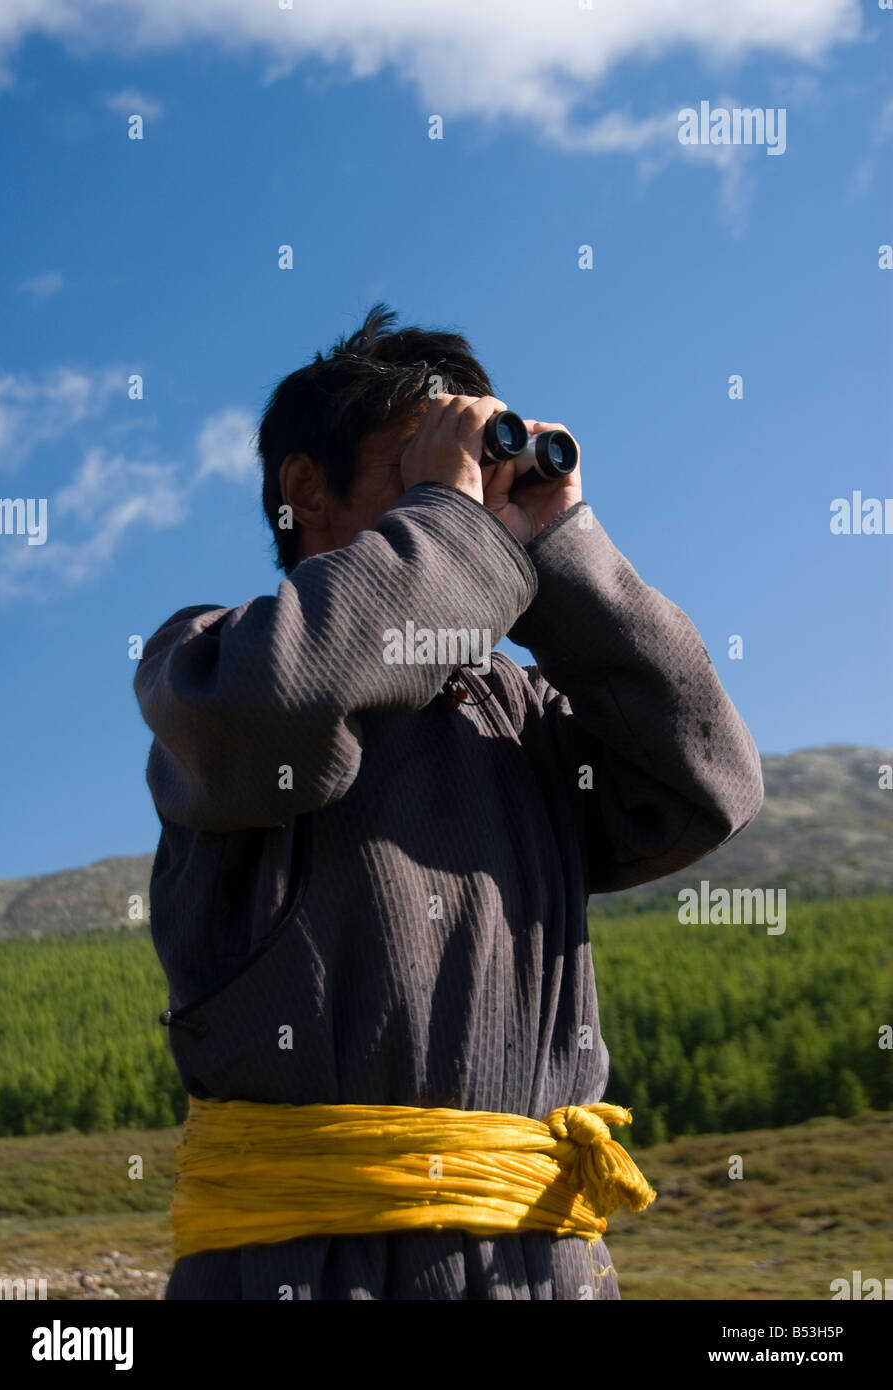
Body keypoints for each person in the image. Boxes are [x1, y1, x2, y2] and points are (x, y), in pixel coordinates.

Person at [133, 304, 763, 1300]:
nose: (469, 493)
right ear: (307, 491)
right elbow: (287, 700)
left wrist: (558, 550)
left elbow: (707, 785)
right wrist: (456, 526)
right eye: (424, 463)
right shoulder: (212, 658)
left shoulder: (518, 719)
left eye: (481, 467)